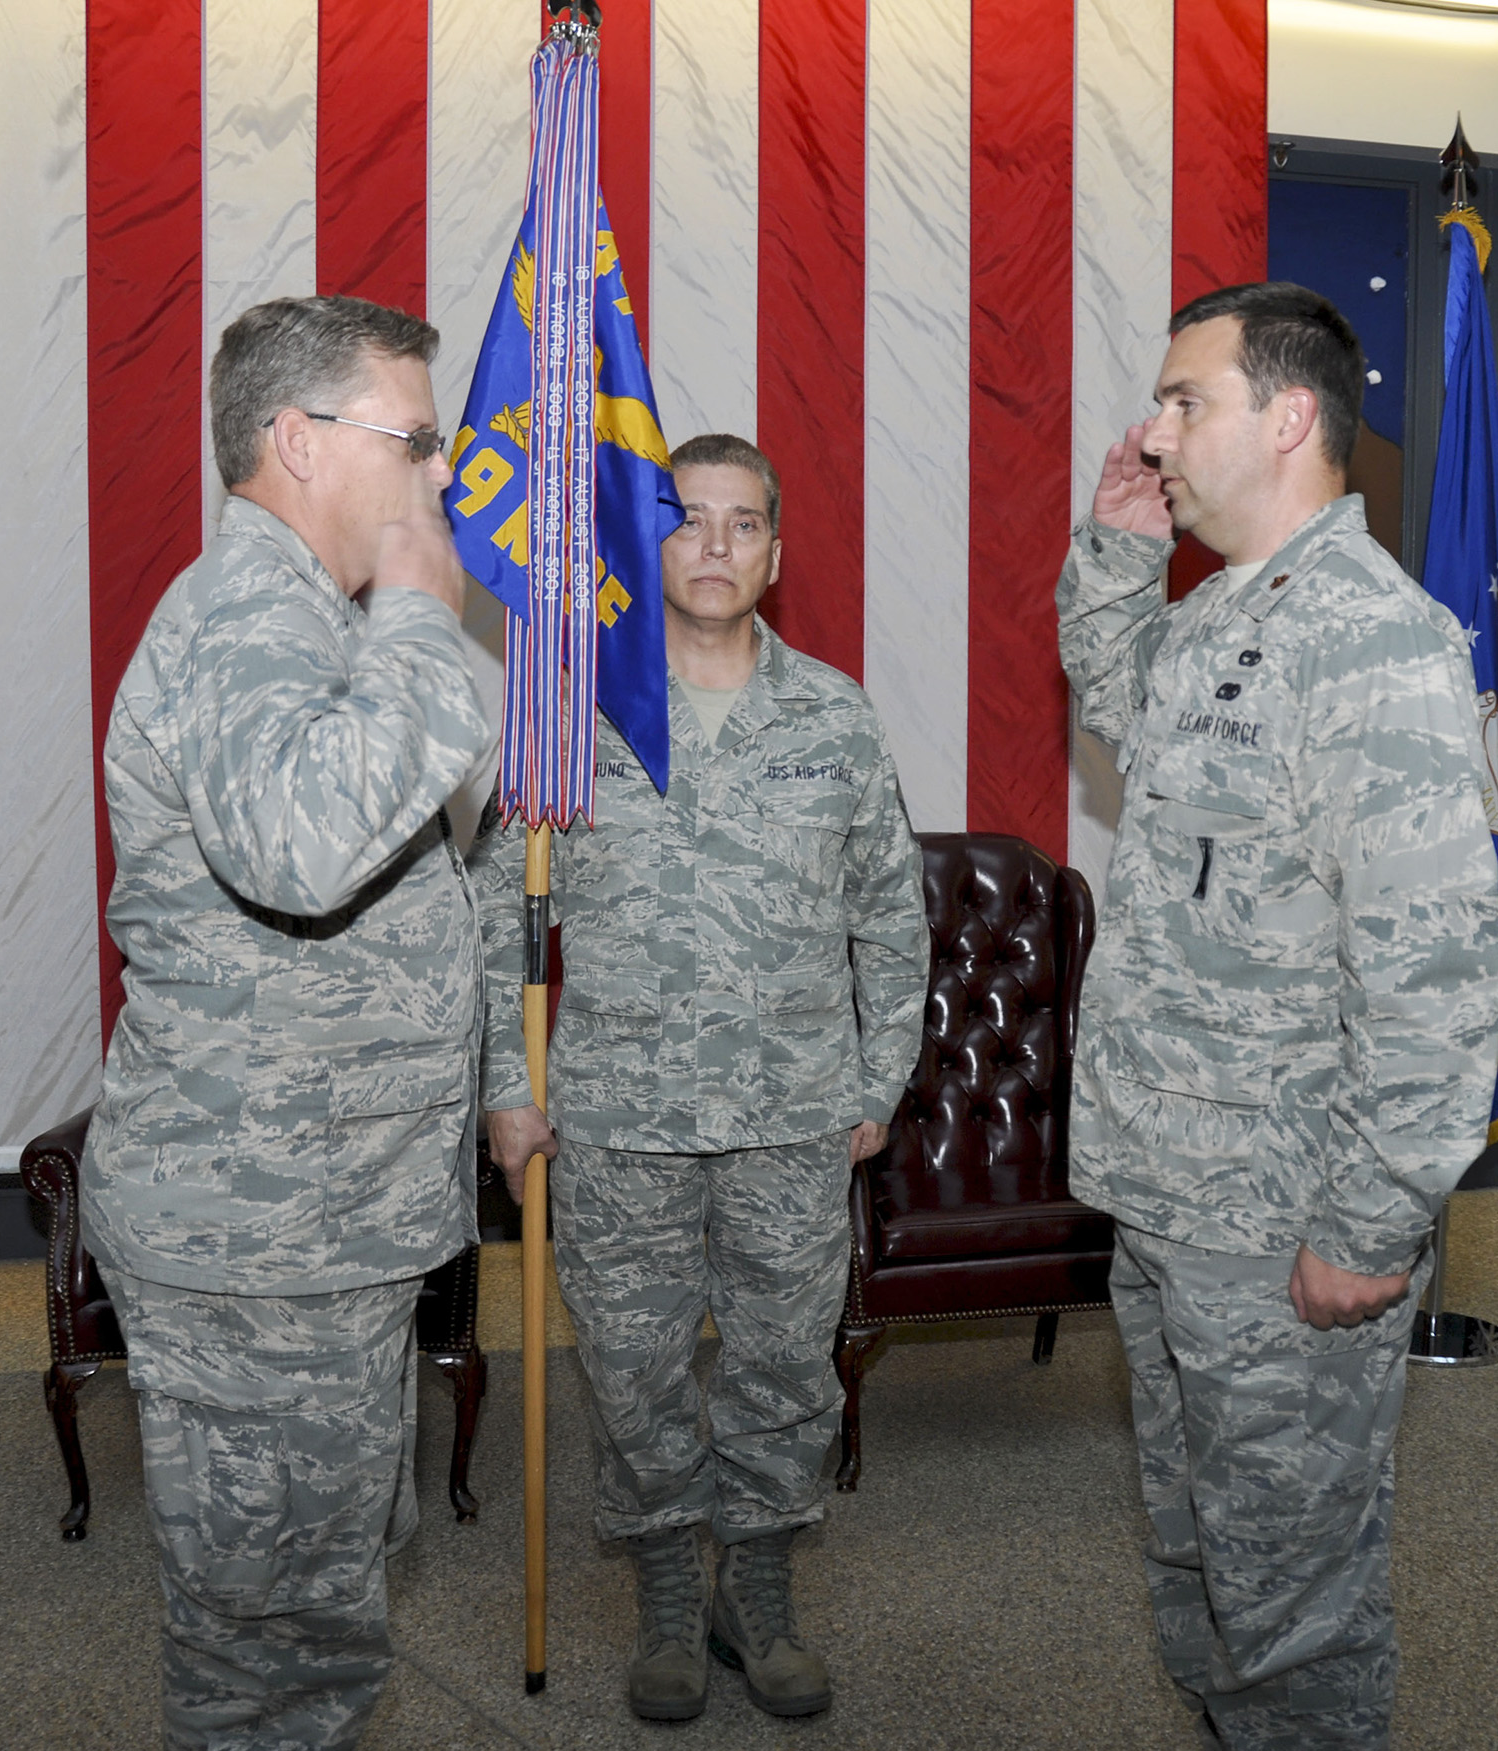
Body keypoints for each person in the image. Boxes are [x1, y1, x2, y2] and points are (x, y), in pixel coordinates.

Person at [1056, 281, 1498, 1750]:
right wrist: (1123, 545)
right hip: (1172, 1189)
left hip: (1285, 1222)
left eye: (1187, 401)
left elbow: (1435, 977)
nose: (1155, 427)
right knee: (1199, 1554)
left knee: (1294, 1596)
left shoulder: (1381, 644)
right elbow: (1120, 700)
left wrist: (1370, 1226)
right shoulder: (1229, 616)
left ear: (1290, 415)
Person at [80, 294, 507, 1750]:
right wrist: (421, 625)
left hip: (321, 1222)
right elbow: (298, 848)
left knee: (315, 1609)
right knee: (266, 1636)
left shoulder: (311, 623)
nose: (438, 476)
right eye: (416, 439)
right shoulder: (249, 614)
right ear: (296, 440)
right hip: (254, 1230)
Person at [471, 433, 928, 1722]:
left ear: (775, 555)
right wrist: (509, 1085)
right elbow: (497, 916)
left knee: (785, 1367)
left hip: (794, 1117)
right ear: (648, 545)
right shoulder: (578, 711)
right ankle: (672, 1600)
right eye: (690, 520)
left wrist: (878, 1083)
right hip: (617, 1122)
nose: (716, 543)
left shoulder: (832, 714)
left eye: (743, 524)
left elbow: (891, 919)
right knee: (636, 1370)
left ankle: (761, 1594)